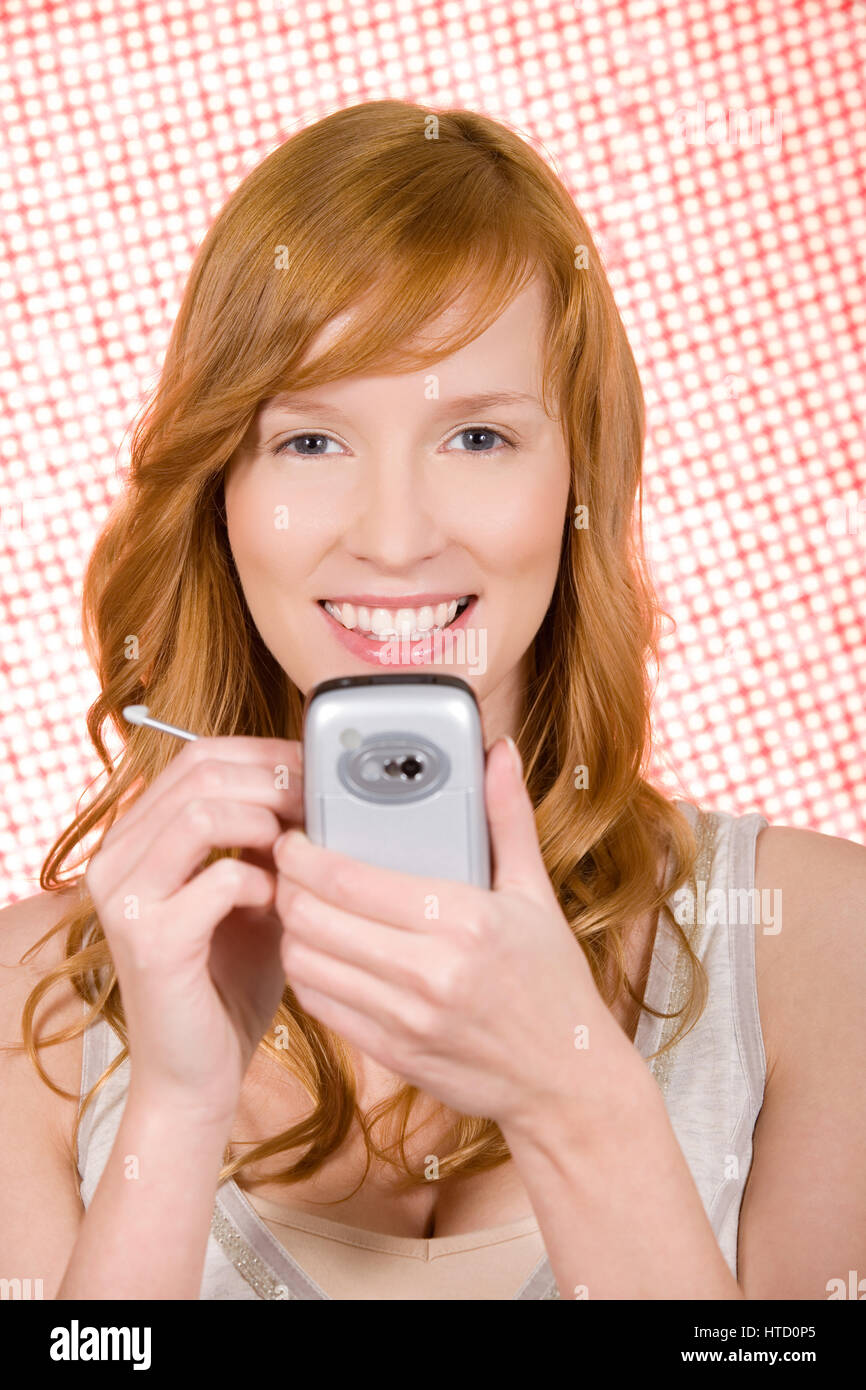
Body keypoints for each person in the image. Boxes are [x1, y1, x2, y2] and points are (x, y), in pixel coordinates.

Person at [1, 100, 863, 1302]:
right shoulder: (29, 998)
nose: (395, 537)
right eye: (308, 442)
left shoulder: (820, 946)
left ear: (578, 477)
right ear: (221, 493)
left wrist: (578, 1098)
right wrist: (177, 1107)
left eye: (475, 436)